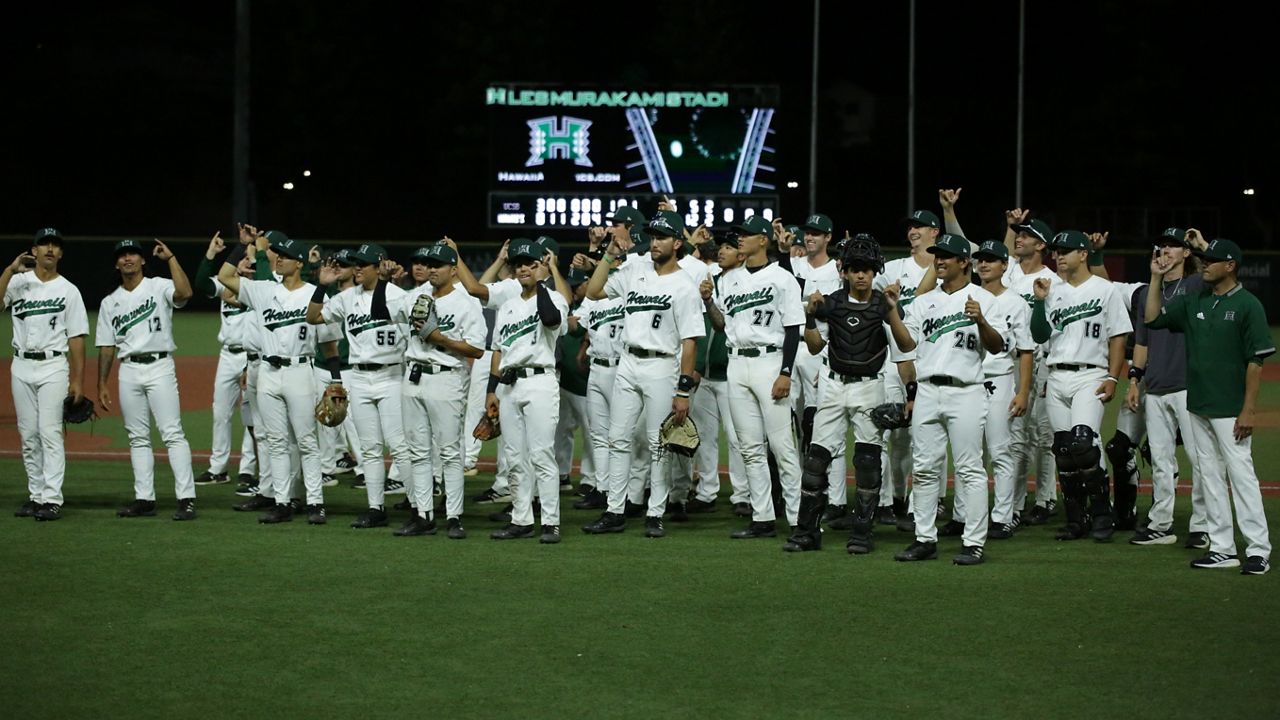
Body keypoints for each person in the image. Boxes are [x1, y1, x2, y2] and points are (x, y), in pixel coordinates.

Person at [1144, 237, 1273, 574]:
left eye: (1211, 260)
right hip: (1198, 404)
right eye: (1203, 259)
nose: (1204, 264)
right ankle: (1223, 548)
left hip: (1231, 408)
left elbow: (1256, 362)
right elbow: (1153, 319)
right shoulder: (1195, 299)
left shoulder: (1248, 305)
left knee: (1241, 477)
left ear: (1230, 266)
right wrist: (1156, 278)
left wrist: (1249, 409)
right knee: (1211, 477)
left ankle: (1258, 549)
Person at [883, 233, 1006, 564]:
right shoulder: (924, 302)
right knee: (924, 468)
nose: (939, 260)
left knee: (969, 469)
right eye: (937, 255)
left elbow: (996, 346)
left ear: (964, 262)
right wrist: (892, 312)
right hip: (927, 390)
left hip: (965, 391)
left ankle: (974, 542)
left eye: (946, 256)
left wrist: (980, 320)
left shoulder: (984, 300)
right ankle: (925, 538)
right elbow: (907, 344)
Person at [581, 211, 705, 538]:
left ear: (678, 243)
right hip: (628, 362)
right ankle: (615, 510)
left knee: (657, 443)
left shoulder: (684, 285)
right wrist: (608, 255)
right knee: (618, 438)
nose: (655, 242)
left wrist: (682, 390)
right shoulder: (634, 268)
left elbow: (689, 342)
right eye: (652, 236)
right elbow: (593, 292)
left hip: (662, 365)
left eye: (662, 237)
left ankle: (655, 512)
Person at [783, 235, 896, 553]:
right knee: (816, 460)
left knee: (867, 461)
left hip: (870, 386)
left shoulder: (882, 305)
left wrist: (909, 390)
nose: (860, 274)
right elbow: (816, 345)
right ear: (844, 271)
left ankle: (862, 533)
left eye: (866, 269)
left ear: (875, 272)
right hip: (833, 385)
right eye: (854, 268)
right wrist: (810, 315)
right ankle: (807, 532)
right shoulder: (832, 302)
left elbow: (902, 346)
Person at [703, 215, 805, 539]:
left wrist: (786, 372)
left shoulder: (782, 277)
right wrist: (708, 302)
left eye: (747, 235)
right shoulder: (729, 280)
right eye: (739, 235)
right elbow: (721, 325)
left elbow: (792, 330)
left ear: (764, 240)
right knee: (749, 447)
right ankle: (763, 518)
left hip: (769, 362)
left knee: (783, 446)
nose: (740, 240)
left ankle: (798, 519)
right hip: (737, 364)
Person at [218, 230, 327, 525]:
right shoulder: (264, 290)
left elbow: (328, 341)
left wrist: (336, 380)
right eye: (278, 254)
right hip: (267, 373)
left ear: (300, 263)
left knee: (306, 440)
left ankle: (315, 502)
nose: (279, 259)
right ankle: (281, 502)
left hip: (301, 371)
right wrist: (241, 247)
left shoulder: (314, 294)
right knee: (277, 441)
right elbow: (225, 276)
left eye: (287, 256)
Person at [1029, 230, 1132, 542]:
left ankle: (1102, 513)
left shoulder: (1105, 289)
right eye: (1057, 251)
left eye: (1066, 251)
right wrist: (1038, 302)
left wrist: (1113, 377)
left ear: (1084, 254)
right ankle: (1077, 517)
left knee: (1083, 444)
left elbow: (1118, 336)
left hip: (1091, 375)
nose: (1058, 256)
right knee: (1063, 450)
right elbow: (1038, 335)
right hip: (1056, 375)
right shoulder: (1050, 290)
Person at [308, 243, 412, 530]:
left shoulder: (398, 296)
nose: (356, 268)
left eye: (363, 264)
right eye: (355, 263)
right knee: (370, 448)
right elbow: (313, 317)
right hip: (360, 377)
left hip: (392, 376)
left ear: (378, 267)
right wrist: (322, 286)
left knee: (399, 446)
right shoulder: (346, 298)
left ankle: (418, 507)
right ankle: (376, 508)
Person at [386, 243, 486, 538]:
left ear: (453, 270)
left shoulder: (466, 303)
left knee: (449, 452)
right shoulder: (416, 296)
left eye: (438, 265)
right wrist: (387, 281)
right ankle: (423, 514)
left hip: (447, 377)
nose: (431, 269)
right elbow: (383, 310)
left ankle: (454, 517)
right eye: (429, 265)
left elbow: (477, 348)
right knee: (417, 452)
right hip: (414, 376)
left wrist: (440, 338)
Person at [96, 238, 197, 521]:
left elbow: (185, 291)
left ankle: (186, 498)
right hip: (128, 370)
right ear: (117, 263)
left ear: (142, 260)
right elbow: (106, 345)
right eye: (123, 255)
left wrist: (171, 258)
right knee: (137, 437)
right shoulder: (110, 302)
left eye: (133, 254)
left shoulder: (158, 286)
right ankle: (144, 498)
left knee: (172, 433)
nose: (128, 258)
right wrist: (102, 382)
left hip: (159, 366)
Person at [1126, 228, 1210, 547]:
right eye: (1162, 245)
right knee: (1161, 460)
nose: (1166, 250)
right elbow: (1143, 340)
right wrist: (1135, 380)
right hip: (1156, 386)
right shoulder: (1149, 291)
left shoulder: (1196, 285)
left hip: (1189, 385)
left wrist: (1202, 246)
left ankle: (1202, 525)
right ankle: (1161, 523)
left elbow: (1218, 274)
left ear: (1186, 253)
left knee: (1200, 458)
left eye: (1174, 246)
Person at [486, 240, 571, 543]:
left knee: (541, 454)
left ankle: (550, 522)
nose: (522, 268)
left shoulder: (555, 299)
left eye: (529, 263)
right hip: (509, 385)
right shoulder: (507, 306)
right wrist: (491, 391)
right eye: (518, 264)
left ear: (540, 266)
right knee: (514, 457)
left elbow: (551, 320)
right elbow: (498, 350)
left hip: (540, 382)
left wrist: (543, 283)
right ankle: (521, 519)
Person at [3, 228, 89, 521]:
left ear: (61, 253)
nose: (50, 249)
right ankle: (36, 494)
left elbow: (77, 338)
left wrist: (77, 380)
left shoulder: (69, 290)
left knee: (49, 432)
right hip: (21, 365)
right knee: (28, 435)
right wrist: (9, 270)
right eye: (44, 244)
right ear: (34, 250)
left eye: (55, 245)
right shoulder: (18, 283)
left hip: (54, 366)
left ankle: (52, 498)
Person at [873, 209, 940, 529]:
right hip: (891, 361)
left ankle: (924, 502)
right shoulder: (893, 269)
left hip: (930, 362)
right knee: (888, 433)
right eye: (910, 226)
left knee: (924, 437)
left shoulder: (947, 269)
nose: (913, 230)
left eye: (920, 226)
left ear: (935, 232)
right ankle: (889, 500)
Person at [969, 240, 1034, 539]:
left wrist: (1022, 392)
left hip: (1000, 378)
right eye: (981, 259)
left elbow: (1025, 351)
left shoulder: (1017, 302)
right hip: (969, 382)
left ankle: (1003, 516)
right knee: (970, 455)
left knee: (999, 450)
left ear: (1004, 266)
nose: (984, 264)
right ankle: (964, 516)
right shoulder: (967, 296)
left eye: (991, 260)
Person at [1003, 213, 1061, 524]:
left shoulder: (1054, 281)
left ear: (1040, 244)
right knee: (1016, 435)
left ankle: (1045, 498)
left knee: (1043, 434)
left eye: (1025, 235)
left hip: (1042, 362)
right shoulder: (1008, 275)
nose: (1018, 238)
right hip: (1010, 362)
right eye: (1017, 234)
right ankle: (1016, 501)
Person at [192, 231, 258, 487]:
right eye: (241, 260)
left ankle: (247, 469)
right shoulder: (226, 284)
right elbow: (201, 283)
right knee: (220, 412)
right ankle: (218, 468)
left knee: (250, 416)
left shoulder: (259, 288)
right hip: (227, 355)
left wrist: (249, 250)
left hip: (250, 356)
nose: (245, 263)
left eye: (248, 260)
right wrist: (211, 254)